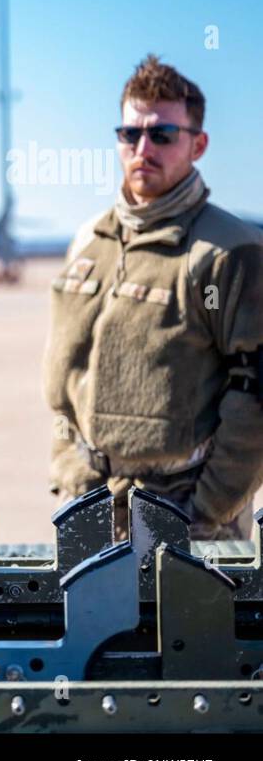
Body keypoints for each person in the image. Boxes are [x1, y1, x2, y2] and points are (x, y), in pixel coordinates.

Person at [45, 55, 263, 540]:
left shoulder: (228, 252)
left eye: (162, 135)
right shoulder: (87, 243)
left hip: (187, 517)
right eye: (130, 134)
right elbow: (63, 384)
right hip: (88, 509)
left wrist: (203, 513)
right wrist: (70, 476)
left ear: (198, 144)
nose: (143, 148)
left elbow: (255, 396)